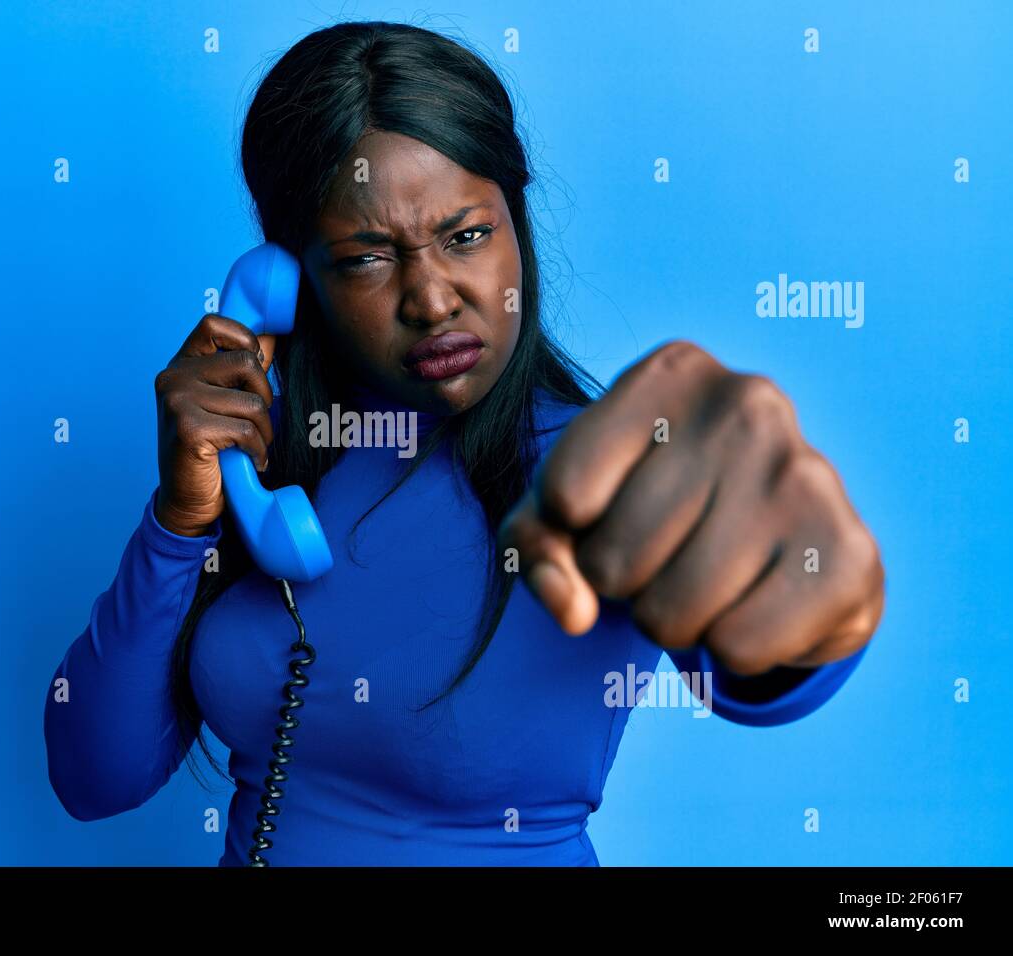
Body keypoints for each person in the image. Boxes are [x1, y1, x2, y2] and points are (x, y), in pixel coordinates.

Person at [43, 21, 884, 866]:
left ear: (515, 223)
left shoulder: (600, 472)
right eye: (369, 257)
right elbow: (94, 778)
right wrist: (181, 519)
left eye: (466, 236)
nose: (433, 299)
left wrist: (819, 599)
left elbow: (770, 650)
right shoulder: (264, 465)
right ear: (287, 279)